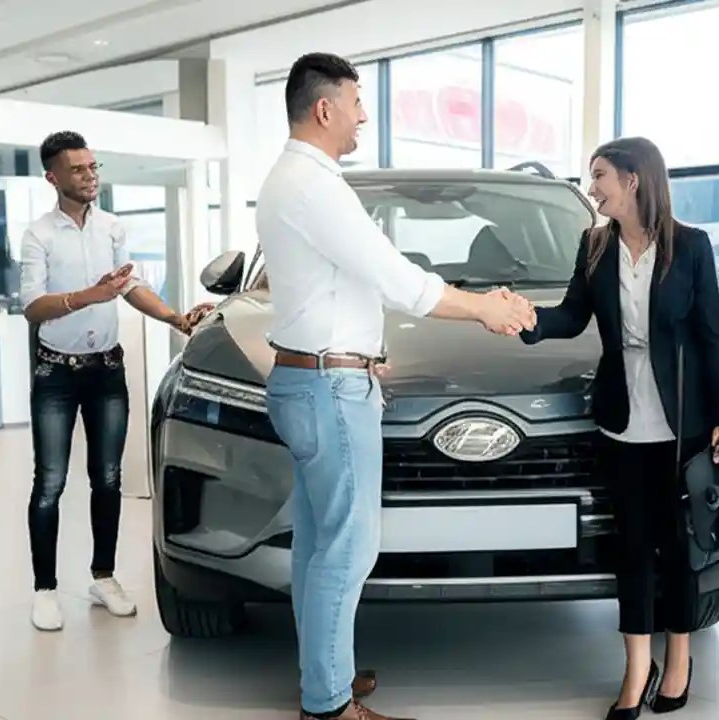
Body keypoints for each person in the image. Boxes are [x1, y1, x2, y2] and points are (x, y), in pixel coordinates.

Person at [257, 52, 535, 720]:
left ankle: (324, 674)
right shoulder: (315, 185)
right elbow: (397, 279)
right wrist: (486, 308)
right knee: (349, 547)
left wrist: (366, 349)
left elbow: (340, 285)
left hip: (309, 378)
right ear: (324, 108)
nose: (361, 116)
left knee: (320, 542)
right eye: (356, 103)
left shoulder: (287, 179)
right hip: (329, 390)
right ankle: (326, 704)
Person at [518, 137, 719, 720]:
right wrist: (526, 320)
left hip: (683, 422)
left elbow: (711, 335)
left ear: (634, 180)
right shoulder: (594, 245)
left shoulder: (690, 246)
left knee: (679, 548)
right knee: (632, 549)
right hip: (621, 419)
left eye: (599, 177)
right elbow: (572, 316)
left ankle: (678, 661)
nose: (592, 187)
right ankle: (636, 669)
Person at [18, 130, 211, 632]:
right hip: (55, 372)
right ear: (53, 177)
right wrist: (88, 295)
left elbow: (131, 287)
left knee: (108, 479)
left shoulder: (111, 228)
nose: (90, 176)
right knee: (51, 483)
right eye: (79, 169)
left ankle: (102, 577)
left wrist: (174, 318)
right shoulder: (39, 234)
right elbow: (31, 307)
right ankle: (44, 590)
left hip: (107, 370)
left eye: (93, 167)